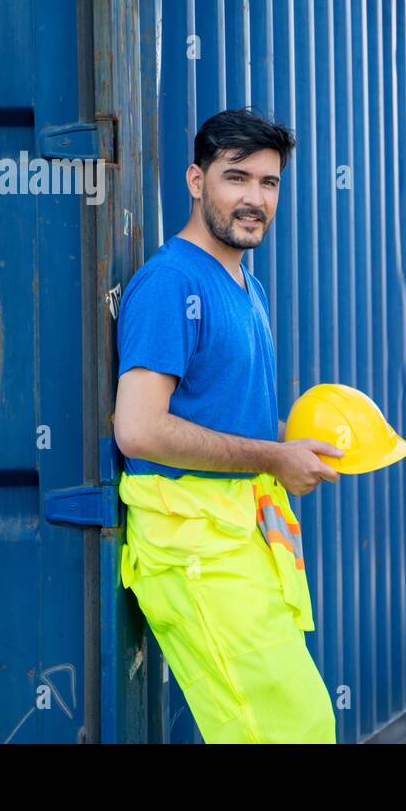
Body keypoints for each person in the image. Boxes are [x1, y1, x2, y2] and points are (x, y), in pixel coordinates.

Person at [112, 108, 341, 743]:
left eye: (268, 183)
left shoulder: (245, 283)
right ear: (195, 179)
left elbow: (224, 411)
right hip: (191, 549)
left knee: (295, 726)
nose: (254, 199)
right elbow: (138, 429)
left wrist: (295, 447)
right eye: (236, 178)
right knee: (282, 731)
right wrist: (273, 459)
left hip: (239, 539)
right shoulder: (170, 282)